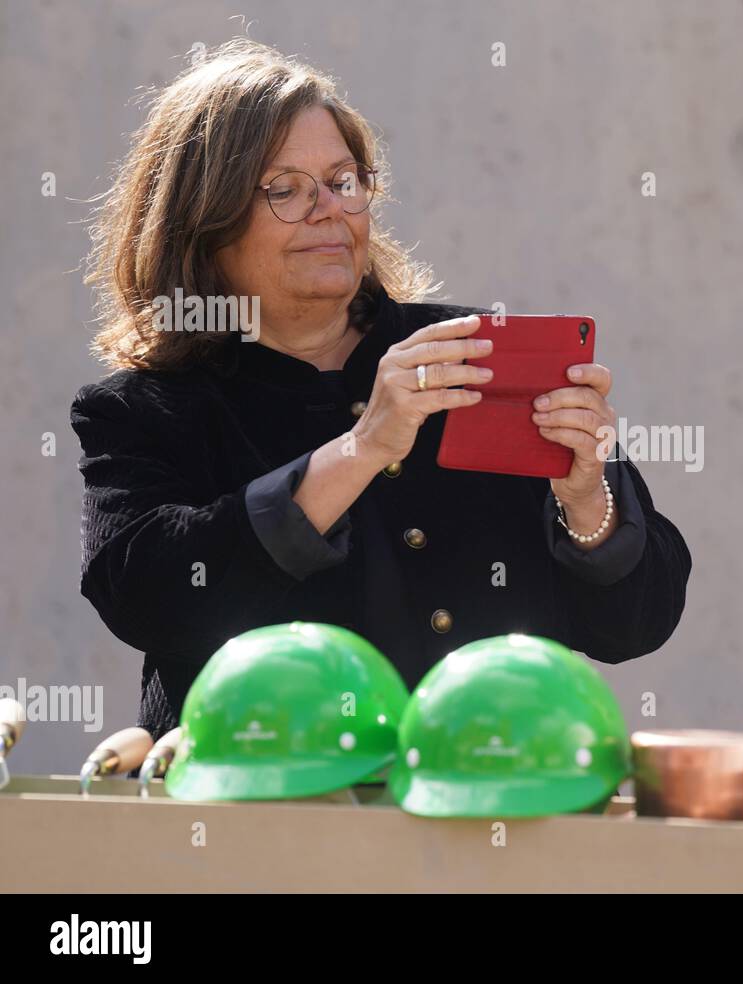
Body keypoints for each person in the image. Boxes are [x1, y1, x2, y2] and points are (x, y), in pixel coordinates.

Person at [73, 39, 692, 739]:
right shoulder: (144, 408)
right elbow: (148, 597)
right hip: (257, 820)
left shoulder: (472, 354)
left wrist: (588, 502)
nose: (328, 209)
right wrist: (362, 449)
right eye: (284, 189)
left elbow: (639, 622)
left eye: (343, 180)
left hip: (494, 794)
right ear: (203, 220)